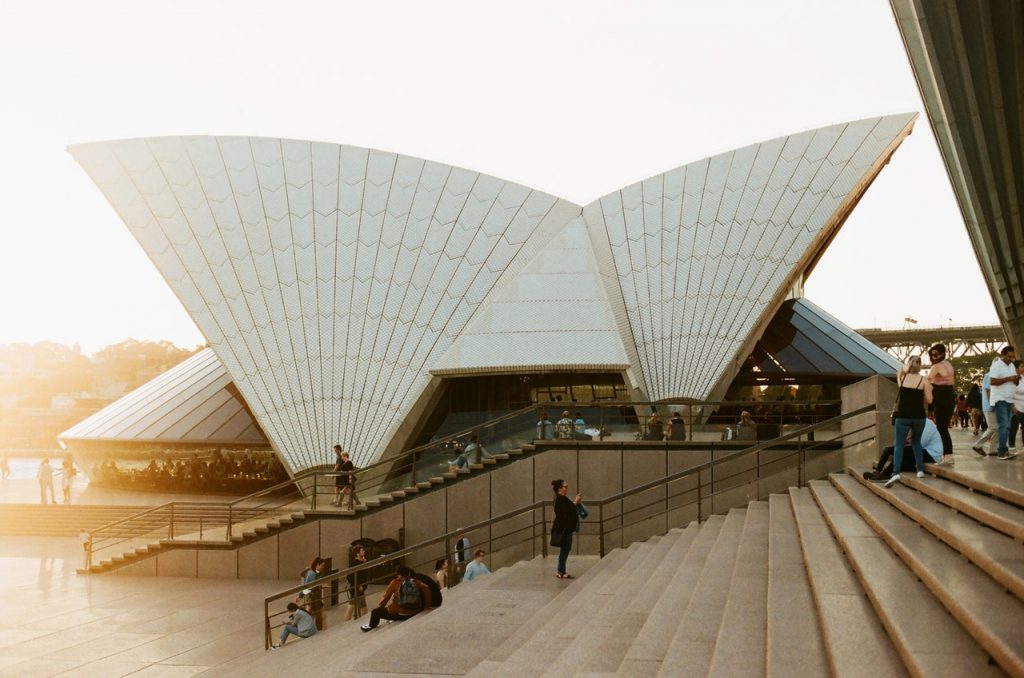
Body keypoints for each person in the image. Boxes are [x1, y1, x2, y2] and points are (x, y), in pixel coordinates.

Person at [885, 355, 934, 488]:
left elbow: (899, 371)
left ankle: (896, 472)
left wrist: (907, 367)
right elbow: (929, 401)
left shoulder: (902, 377)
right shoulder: (924, 381)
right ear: (920, 365)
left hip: (903, 416)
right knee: (916, 443)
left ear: (908, 365)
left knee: (899, 445)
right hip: (919, 416)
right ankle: (920, 470)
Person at [864, 418, 943, 480]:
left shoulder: (927, 424)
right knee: (888, 449)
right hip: (922, 452)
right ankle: (877, 471)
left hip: (933, 454)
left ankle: (885, 474)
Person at [360, 565, 432, 631]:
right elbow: (426, 588)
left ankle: (371, 626)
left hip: (400, 614)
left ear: (399, 575)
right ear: (409, 573)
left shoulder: (395, 582)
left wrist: (380, 608)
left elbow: (386, 598)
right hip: (414, 612)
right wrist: (426, 606)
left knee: (375, 612)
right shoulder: (416, 582)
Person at [987, 346, 1021, 460]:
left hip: (1009, 400)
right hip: (1000, 399)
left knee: (1008, 426)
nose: (1011, 359)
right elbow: (992, 381)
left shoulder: (1011, 366)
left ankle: (1004, 450)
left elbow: (1013, 383)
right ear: (1003, 354)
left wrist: (1016, 379)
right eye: (1009, 356)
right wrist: (1009, 378)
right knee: (1004, 425)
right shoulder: (996, 365)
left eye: (1013, 357)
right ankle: (1002, 451)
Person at [926, 344, 956, 463]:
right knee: (943, 427)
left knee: (941, 427)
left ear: (943, 353)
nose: (933, 357)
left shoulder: (937, 367)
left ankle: (948, 455)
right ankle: (947, 454)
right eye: (932, 355)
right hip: (949, 396)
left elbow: (927, 381)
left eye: (936, 355)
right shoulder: (948, 364)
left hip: (941, 397)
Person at [550, 478, 582, 579]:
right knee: (565, 549)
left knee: (565, 549)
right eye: (565, 486)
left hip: (566, 529)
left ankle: (561, 570)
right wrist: (575, 502)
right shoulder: (559, 499)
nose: (567, 488)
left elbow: (569, 509)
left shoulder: (562, 498)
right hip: (563, 530)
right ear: (560, 489)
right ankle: (561, 571)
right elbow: (567, 511)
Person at [972, 371, 998, 456]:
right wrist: (992, 403)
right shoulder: (989, 375)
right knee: (993, 427)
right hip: (989, 406)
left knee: (998, 428)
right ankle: (977, 445)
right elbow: (988, 390)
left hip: (994, 406)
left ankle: (993, 449)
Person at [345, 545, 367, 621]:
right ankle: (346, 623)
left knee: (362, 607)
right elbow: (349, 576)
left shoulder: (363, 561)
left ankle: (362, 621)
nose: (364, 551)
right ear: (357, 554)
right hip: (355, 588)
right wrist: (358, 586)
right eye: (362, 551)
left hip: (360, 588)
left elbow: (364, 575)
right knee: (353, 606)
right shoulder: (354, 563)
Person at [1011, 361, 1024, 451]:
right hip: (1016, 406)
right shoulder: (1012, 378)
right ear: (1016, 368)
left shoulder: (1022, 378)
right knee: (1014, 427)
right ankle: (1011, 446)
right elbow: (1009, 392)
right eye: (1021, 366)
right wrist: (1012, 406)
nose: (1023, 368)